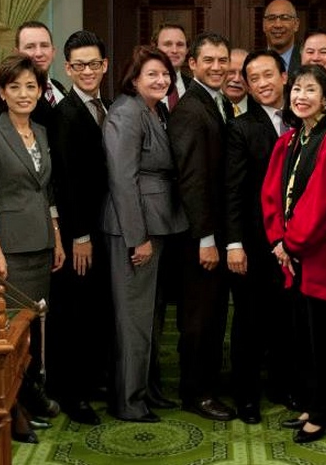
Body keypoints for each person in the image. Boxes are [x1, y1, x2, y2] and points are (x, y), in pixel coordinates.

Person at [0, 54, 66, 443]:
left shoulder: (42, 133)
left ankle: (26, 399)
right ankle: (12, 413)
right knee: (10, 335)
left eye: (31, 86)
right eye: (15, 87)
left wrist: (57, 238)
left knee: (32, 334)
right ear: (1, 92)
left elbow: (46, 193)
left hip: (41, 244)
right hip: (8, 248)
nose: (24, 94)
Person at [262, 64, 326, 444]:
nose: (300, 96)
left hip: (319, 257)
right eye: (296, 89)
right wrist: (277, 240)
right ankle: (311, 401)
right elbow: (269, 193)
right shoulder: (291, 139)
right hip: (292, 254)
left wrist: (293, 243)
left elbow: (324, 200)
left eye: (310, 90)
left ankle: (324, 411)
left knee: (325, 338)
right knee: (303, 335)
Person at [102, 46, 189, 423]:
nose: (161, 80)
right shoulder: (126, 112)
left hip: (159, 223)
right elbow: (123, 179)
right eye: (151, 74)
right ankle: (128, 401)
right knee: (133, 319)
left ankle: (148, 390)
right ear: (134, 79)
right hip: (132, 229)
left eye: (165, 74)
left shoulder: (157, 109)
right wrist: (137, 237)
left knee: (151, 317)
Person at [167, 32, 236, 421]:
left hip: (213, 232)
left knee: (210, 316)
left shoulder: (218, 102)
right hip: (199, 237)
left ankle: (205, 383)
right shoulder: (191, 110)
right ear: (191, 64)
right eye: (208, 60)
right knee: (198, 318)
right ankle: (196, 393)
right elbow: (191, 180)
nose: (216, 67)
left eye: (222, 60)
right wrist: (206, 239)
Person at [48, 30, 112, 426]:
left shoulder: (107, 106)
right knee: (72, 314)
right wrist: (80, 237)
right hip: (80, 233)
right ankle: (71, 394)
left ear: (104, 66)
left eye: (94, 64)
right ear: (67, 69)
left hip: (105, 227)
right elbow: (66, 181)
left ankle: (90, 382)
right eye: (79, 65)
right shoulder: (65, 114)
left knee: (93, 311)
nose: (87, 71)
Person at [225, 50, 292, 423]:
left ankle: (282, 385)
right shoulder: (241, 127)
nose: (263, 83)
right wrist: (234, 243)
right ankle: (246, 396)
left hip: (296, 242)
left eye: (269, 75)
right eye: (255, 78)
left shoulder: (301, 119)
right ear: (248, 86)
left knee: (286, 320)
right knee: (250, 322)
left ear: (284, 76)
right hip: (254, 242)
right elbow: (232, 190)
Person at [0, 21, 67, 127]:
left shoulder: (59, 87)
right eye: (30, 47)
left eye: (44, 45)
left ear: (53, 51)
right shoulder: (2, 96)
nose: (39, 53)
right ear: (16, 53)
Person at [152, 22, 191, 109]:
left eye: (180, 45)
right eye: (168, 44)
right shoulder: (144, 88)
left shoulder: (194, 88)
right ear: (155, 48)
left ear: (187, 50)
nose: (174, 50)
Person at [263, 0, 301, 73]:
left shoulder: (306, 61)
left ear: (296, 24)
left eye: (284, 18)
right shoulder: (254, 62)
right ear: (264, 25)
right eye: (271, 18)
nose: (278, 25)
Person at [223, 47, 249, 117]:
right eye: (231, 72)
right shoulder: (207, 106)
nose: (236, 79)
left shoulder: (261, 109)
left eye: (243, 74)